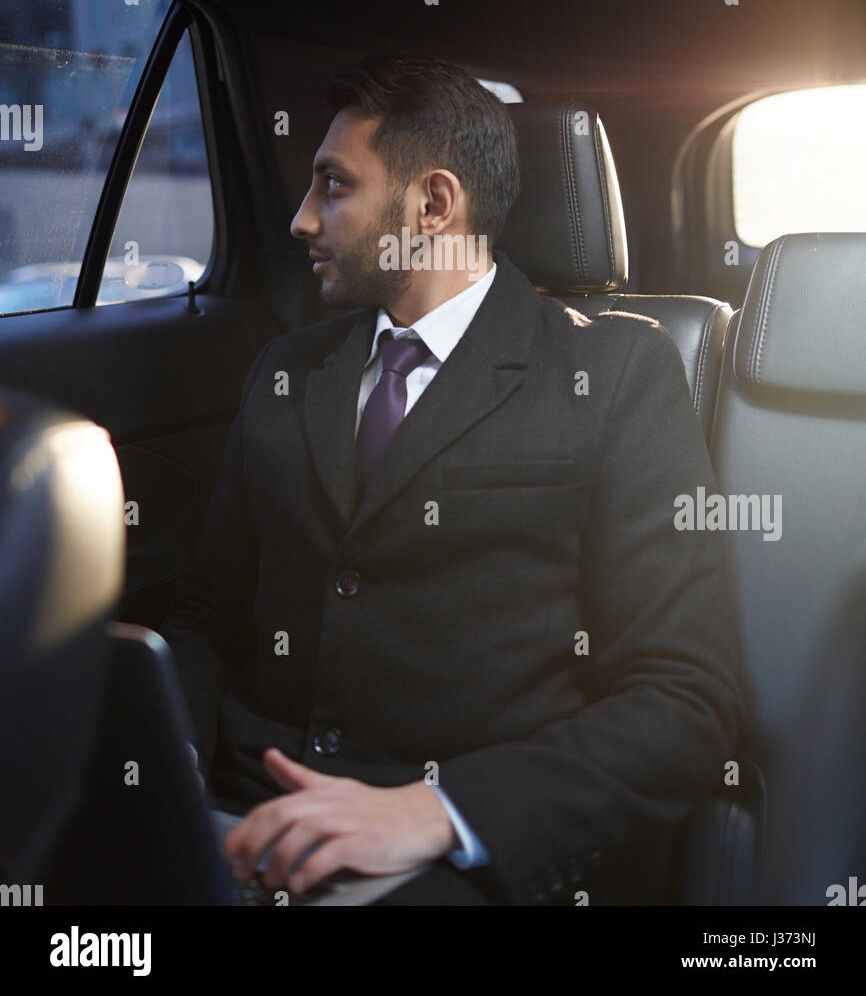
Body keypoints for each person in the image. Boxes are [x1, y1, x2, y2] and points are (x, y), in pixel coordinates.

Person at [160, 55, 744, 906]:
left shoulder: (615, 371)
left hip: (455, 855)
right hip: (243, 812)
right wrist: (162, 750)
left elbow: (687, 702)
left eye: (332, 186)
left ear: (432, 206)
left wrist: (440, 811)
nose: (300, 220)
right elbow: (206, 617)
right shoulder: (287, 372)